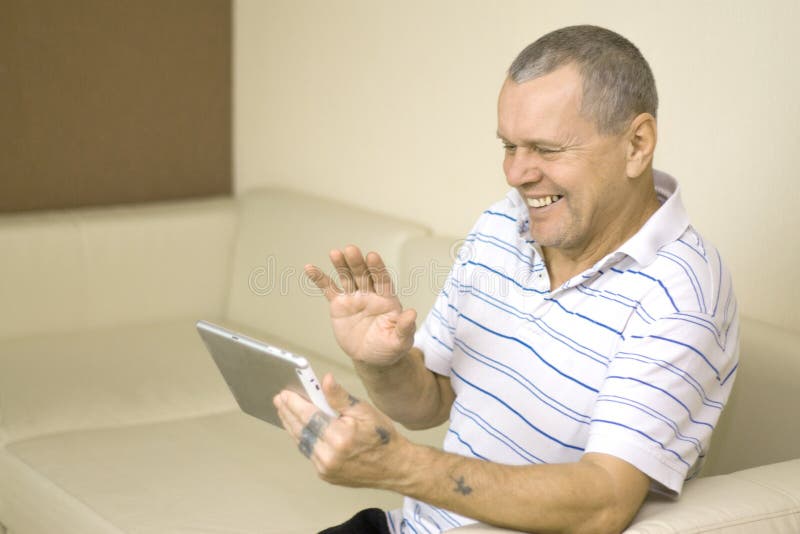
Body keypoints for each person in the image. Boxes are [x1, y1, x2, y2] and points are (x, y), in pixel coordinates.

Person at [274, 25, 739, 533]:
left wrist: (402, 466)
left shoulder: (683, 294)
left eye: (545, 148)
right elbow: (430, 402)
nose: (516, 174)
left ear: (637, 144)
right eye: (509, 146)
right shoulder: (503, 225)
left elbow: (604, 503)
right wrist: (381, 363)